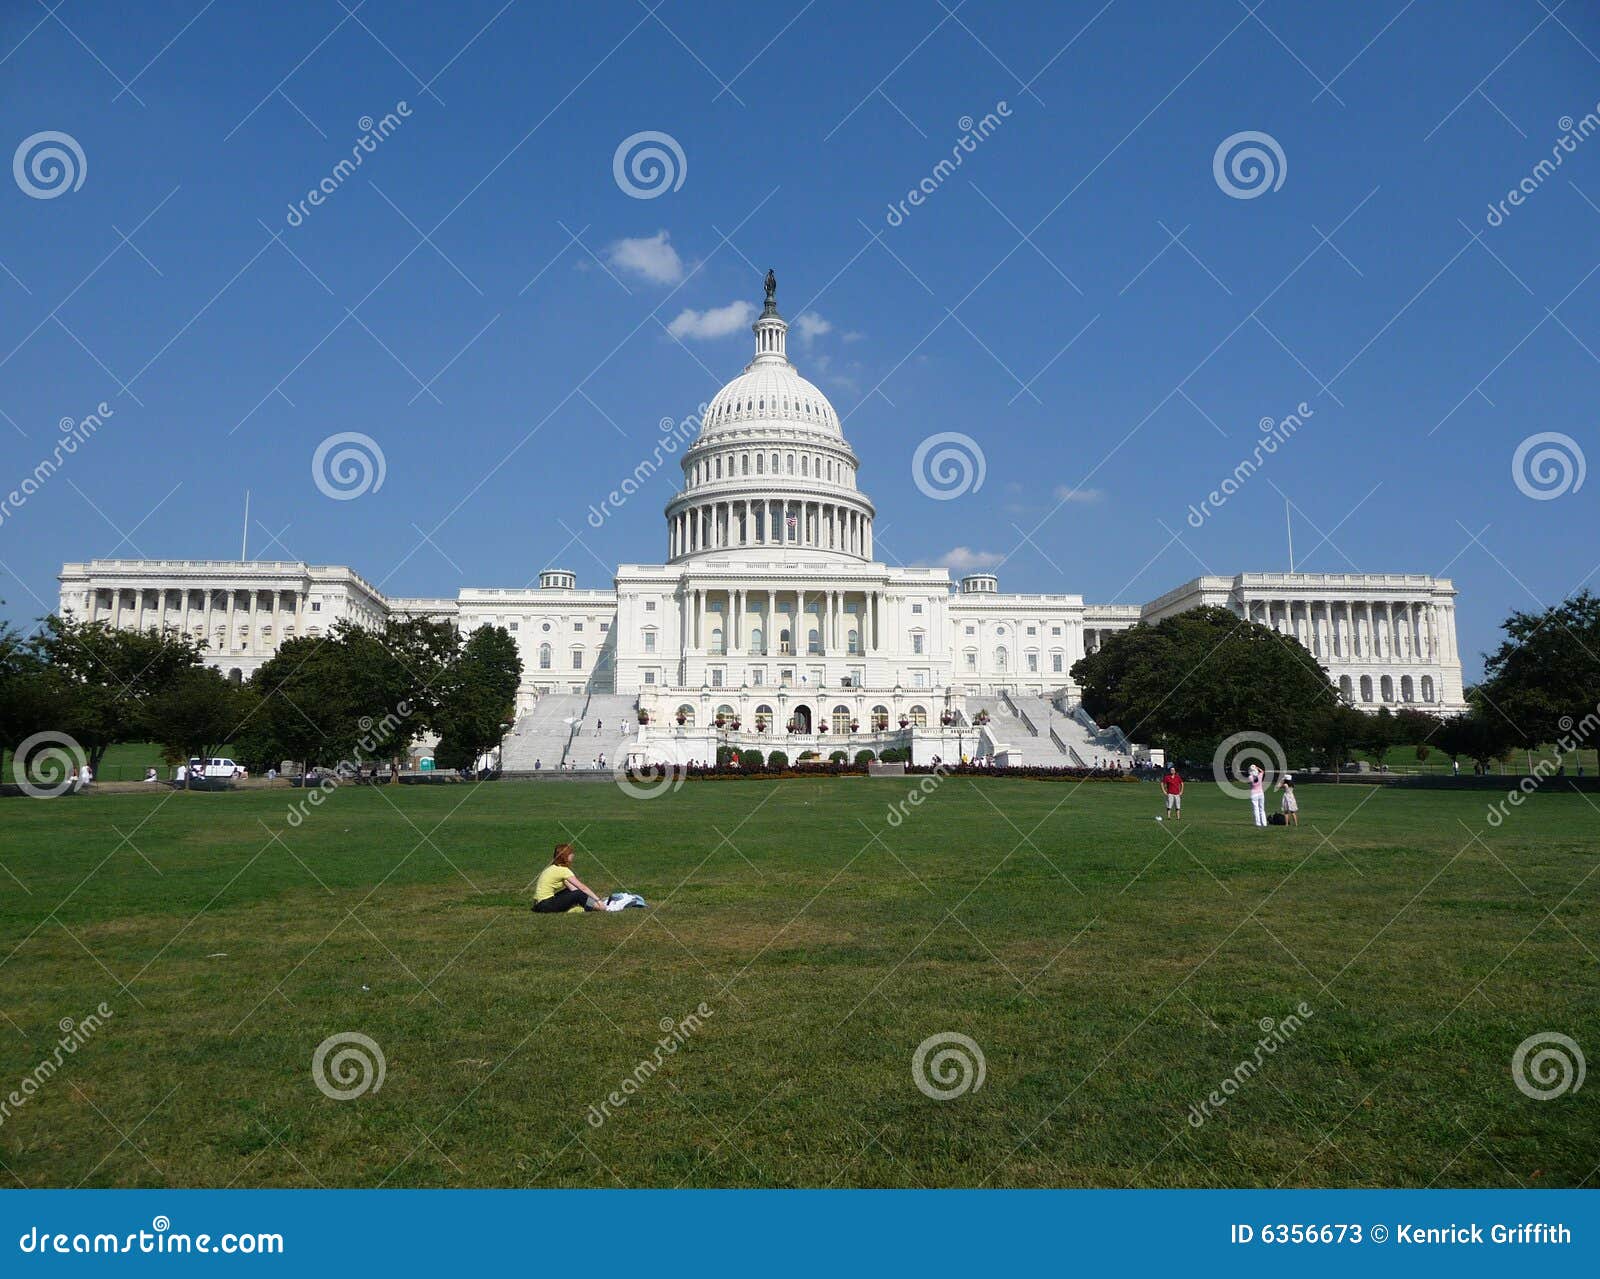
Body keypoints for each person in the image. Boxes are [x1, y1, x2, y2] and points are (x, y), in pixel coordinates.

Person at [532, 844, 605, 913]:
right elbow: (582, 888)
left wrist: (589, 899)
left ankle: (589, 904)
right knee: (578, 893)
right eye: (571, 853)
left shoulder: (553, 867)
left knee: (574, 892)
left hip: (538, 905)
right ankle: (600, 907)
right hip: (545, 905)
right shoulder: (563, 870)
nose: (573, 855)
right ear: (565, 856)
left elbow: (573, 889)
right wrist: (598, 900)